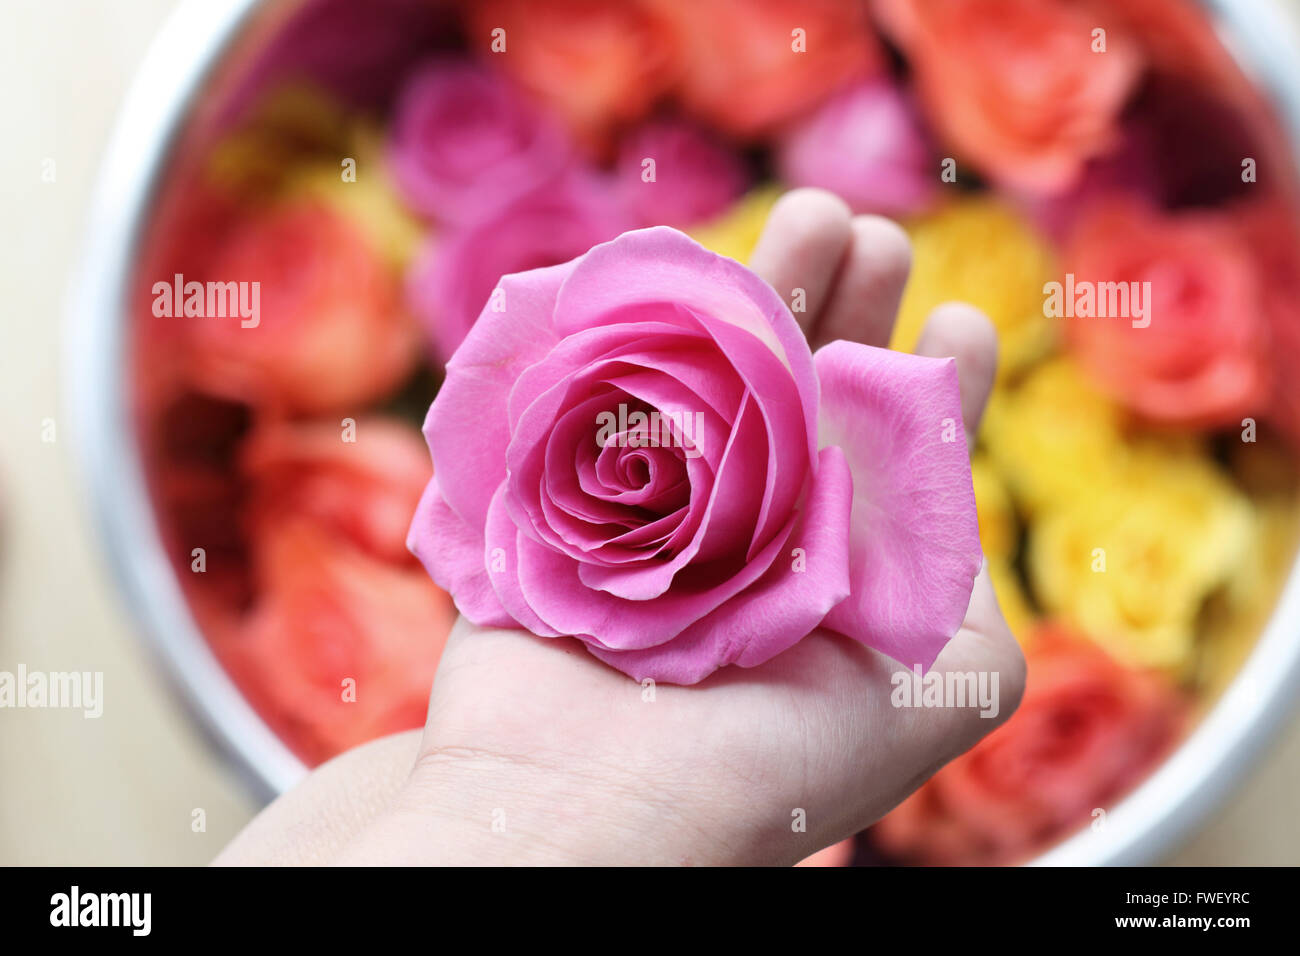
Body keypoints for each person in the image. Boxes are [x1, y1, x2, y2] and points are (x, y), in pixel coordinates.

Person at [215, 189, 1025, 866]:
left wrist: (498, 815)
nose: (630, 465)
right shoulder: (521, 558)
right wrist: (537, 813)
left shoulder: (855, 491)